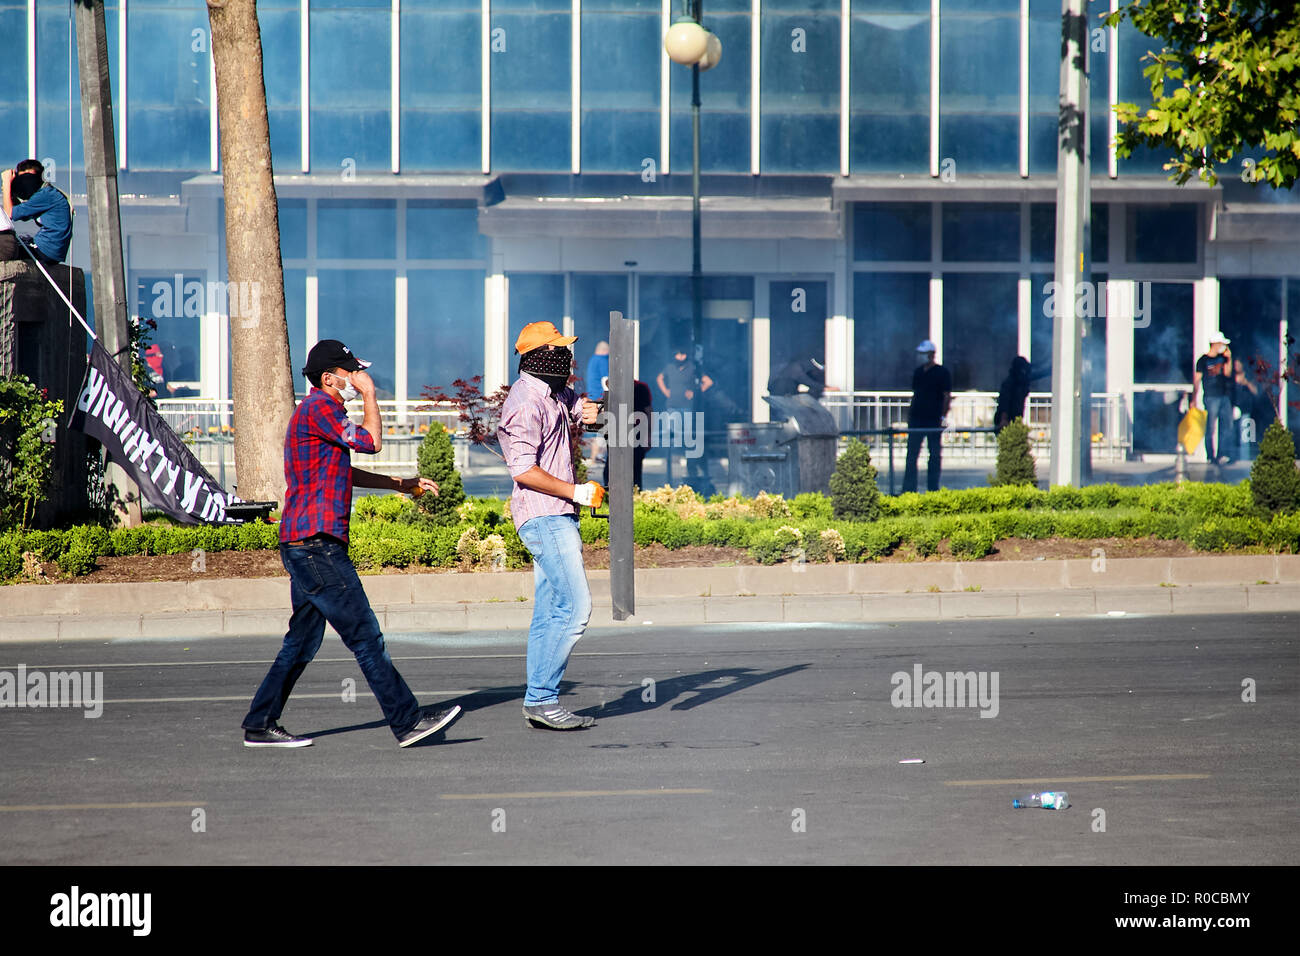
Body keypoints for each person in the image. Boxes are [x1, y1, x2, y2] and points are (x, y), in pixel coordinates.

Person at [242, 339, 460, 749]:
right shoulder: (319, 408)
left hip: (304, 543)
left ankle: (259, 723)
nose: (356, 378)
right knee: (365, 636)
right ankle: (407, 721)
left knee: (302, 640)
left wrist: (400, 485)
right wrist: (371, 395)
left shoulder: (322, 415)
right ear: (329, 378)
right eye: (350, 373)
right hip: (316, 546)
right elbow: (371, 442)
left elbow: (346, 467)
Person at [498, 321, 604, 730]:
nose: (566, 357)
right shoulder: (525, 402)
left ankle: (538, 700)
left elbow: (579, 408)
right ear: (537, 356)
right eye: (558, 350)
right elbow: (523, 469)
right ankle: (542, 699)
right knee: (576, 608)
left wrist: (594, 408)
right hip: (544, 514)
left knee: (548, 612)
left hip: (555, 514)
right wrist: (575, 492)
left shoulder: (553, 390)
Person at [656, 347, 711, 488]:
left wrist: (696, 391)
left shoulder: (692, 367)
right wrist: (666, 392)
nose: (680, 357)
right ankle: (671, 459)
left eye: (682, 354)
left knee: (686, 434)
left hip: (686, 406)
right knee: (671, 433)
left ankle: (686, 459)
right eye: (678, 354)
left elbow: (708, 381)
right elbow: (660, 378)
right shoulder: (669, 367)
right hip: (672, 405)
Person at [901, 340, 951, 494]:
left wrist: (943, 416)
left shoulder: (942, 372)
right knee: (912, 455)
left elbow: (946, 396)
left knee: (934, 454)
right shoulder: (918, 372)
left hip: (933, 418)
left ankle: (932, 488)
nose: (920, 357)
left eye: (923, 354)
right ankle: (909, 489)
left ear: (931, 355)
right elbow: (916, 394)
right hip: (917, 418)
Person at [2, 159, 73, 265]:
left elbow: (9, 214)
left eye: (27, 178)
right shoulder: (47, 193)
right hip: (51, 250)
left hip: (45, 251)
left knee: (4, 247)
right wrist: (12, 192)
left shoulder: (45, 196)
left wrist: (7, 183)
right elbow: (22, 215)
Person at [1193, 332, 1235, 465]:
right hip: (1211, 397)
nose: (1223, 346)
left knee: (1226, 426)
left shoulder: (1223, 359)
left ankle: (1222, 454)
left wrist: (1229, 358)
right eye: (1222, 344)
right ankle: (1211, 456)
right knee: (1210, 427)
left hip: (1224, 396)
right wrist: (1193, 398)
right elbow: (1197, 380)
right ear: (1215, 344)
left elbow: (1227, 373)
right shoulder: (1203, 360)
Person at [585, 341, 611, 477]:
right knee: (603, 429)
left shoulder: (592, 360)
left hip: (592, 396)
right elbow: (606, 379)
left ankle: (595, 457)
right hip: (601, 399)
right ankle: (596, 456)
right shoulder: (602, 360)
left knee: (599, 429)